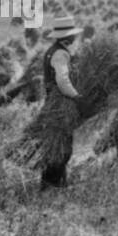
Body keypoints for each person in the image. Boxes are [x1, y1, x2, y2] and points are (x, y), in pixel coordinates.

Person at [37, 16, 83, 188]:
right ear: (66, 37)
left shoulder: (52, 50)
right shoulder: (60, 53)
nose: (74, 39)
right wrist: (75, 95)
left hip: (53, 103)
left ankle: (57, 182)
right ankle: (51, 184)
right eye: (72, 36)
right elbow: (62, 79)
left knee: (57, 143)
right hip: (60, 105)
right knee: (61, 145)